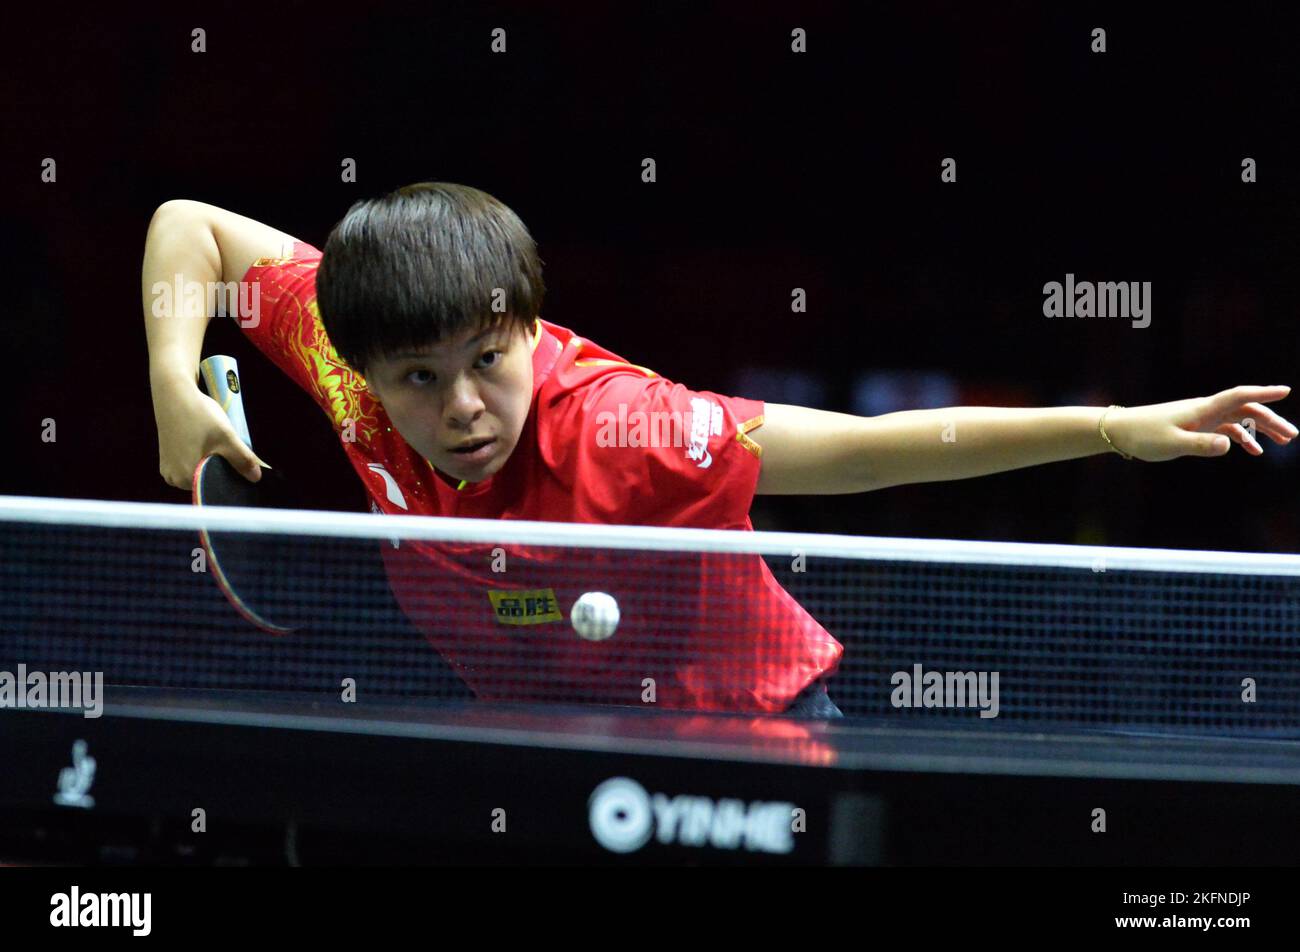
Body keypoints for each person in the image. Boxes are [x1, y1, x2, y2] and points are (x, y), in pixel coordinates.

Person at [142, 183, 1296, 719]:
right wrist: (172, 393)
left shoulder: (628, 426)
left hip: (740, 724)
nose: (464, 406)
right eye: (421, 381)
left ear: (532, 329)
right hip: (530, 722)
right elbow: (189, 226)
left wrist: (1105, 428)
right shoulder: (345, 348)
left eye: (490, 359)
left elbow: (867, 450)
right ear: (367, 367)